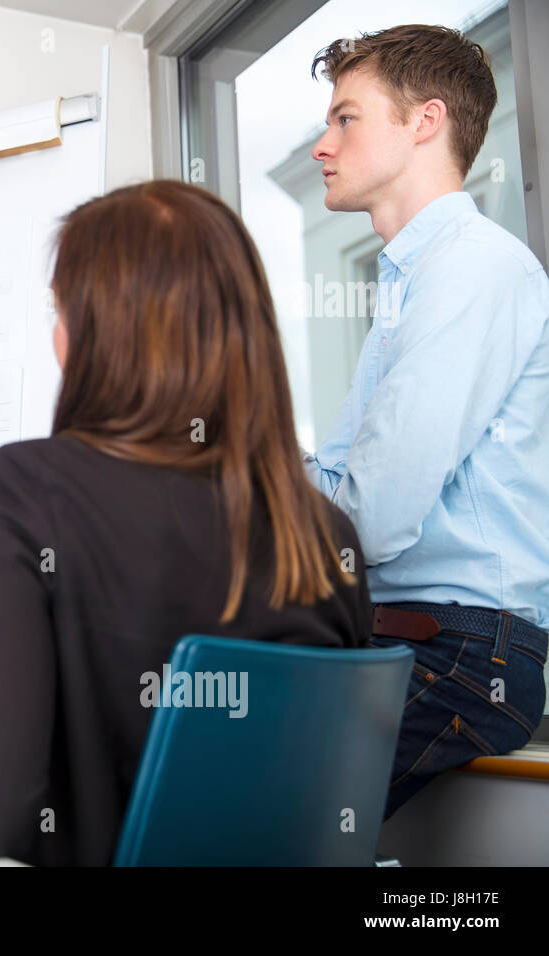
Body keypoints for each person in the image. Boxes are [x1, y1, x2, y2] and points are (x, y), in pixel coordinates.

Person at [0, 180, 373, 866]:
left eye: (63, 314)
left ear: (99, 337)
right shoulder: (328, 537)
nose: (58, 339)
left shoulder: (29, 491)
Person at [304, 25, 549, 817]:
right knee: (191, 780)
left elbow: (364, 524)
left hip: (463, 653)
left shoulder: (473, 268)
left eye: (346, 118)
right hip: (403, 641)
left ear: (425, 121)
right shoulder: (410, 287)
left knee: (255, 822)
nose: (322, 145)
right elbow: (341, 494)